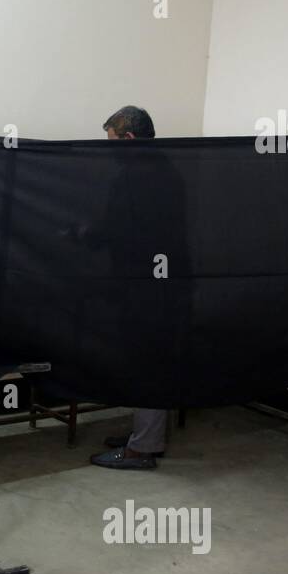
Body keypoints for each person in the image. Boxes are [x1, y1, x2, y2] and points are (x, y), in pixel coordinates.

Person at [89, 105, 169, 471]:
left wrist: (82, 235)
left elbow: (115, 227)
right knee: (150, 359)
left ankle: (142, 448)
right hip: (161, 280)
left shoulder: (134, 176)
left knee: (149, 361)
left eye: (112, 143)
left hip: (145, 285)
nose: (110, 152)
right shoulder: (166, 169)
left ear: (129, 138)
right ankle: (145, 436)